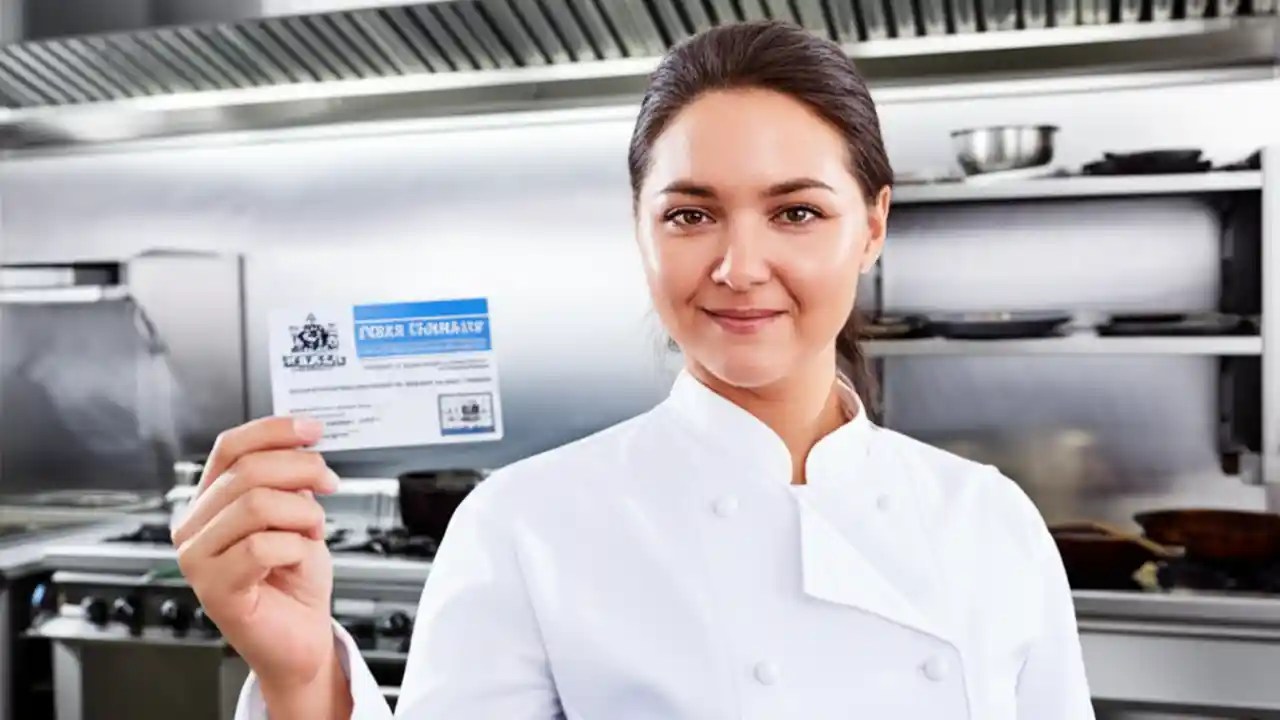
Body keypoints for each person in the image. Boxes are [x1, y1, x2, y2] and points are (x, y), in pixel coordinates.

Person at [172, 20, 1094, 720]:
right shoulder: (523, 529)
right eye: (691, 215)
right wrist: (300, 678)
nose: (738, 266)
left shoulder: (990, 522)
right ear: (641, 229)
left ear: (874, 224)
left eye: (797, 213)